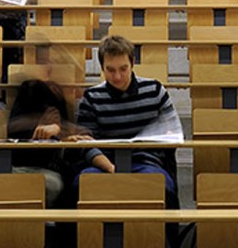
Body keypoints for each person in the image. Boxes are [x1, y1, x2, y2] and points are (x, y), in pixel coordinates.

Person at [76, 35, 182, 204]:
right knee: (81, 185)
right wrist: (111, 168)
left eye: (123, 69)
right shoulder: (91, 97)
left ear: (132, 64)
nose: (117, 76)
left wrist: (169, 136)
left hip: (146, 162)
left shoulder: (155, 90)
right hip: (103, 163)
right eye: (110, 70)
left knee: (161, 187)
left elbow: (174, 133)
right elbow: (86, 144)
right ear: (102, 68)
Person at [0, 76, 82, 208]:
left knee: (54, 185)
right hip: (17, 162)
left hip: (49, 166)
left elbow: (74, 133)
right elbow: (13, 130)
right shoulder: (27, 90)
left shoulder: (57, 96)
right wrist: (37, 127)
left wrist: (59, 131)